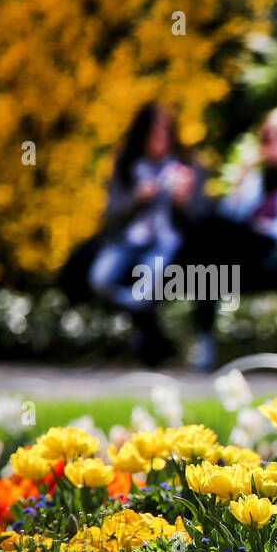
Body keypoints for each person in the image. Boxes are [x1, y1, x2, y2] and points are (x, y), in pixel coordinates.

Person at [177, 105, 277, 371]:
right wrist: (240, 179)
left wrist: (263, 229)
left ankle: (173, 272)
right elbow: (230, 217)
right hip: (258, 259)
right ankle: (204, 338)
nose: (270, 144)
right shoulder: (256, 179)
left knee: (209, 236)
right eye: (266, 137)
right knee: (211, 260)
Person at [86, 103, 208, 365]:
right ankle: (152, 334)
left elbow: (202, 218)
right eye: (154, 134)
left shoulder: (186, 166)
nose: (160, 140)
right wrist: (136, 198)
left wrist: (182, 201)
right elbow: (109, 214)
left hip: (165, 245)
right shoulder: (126, 164)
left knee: (146, 288)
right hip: (126, 241)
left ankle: (151, 339)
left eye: (165, 133)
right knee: (100, 279)